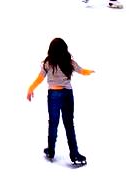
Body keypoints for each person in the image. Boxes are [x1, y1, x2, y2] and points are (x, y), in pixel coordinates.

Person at [26, 38, 92, 167]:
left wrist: (31, 88)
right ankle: (75, 154)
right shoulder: (69, 62)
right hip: (67, 95)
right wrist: (89, 72)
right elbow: (82, 71)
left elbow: (39, 79)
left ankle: (50, 151)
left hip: (53, 95)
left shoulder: (48, 63)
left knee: (53, 124)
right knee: (69, 125)